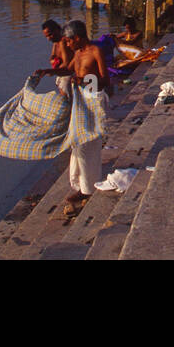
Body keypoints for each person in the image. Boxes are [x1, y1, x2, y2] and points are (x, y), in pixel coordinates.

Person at [33, 21, 111, 210]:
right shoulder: (77, 53)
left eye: (68, 41)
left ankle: (88, 189)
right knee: (77, 144)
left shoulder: (95, 51)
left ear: (77, 38)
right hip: (81, 99)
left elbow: (104, 80)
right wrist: (48, 71)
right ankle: (79, 184)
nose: (66, 45)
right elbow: (67, 69)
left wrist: (85, 80)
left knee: (87, 145)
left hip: (94, 99)